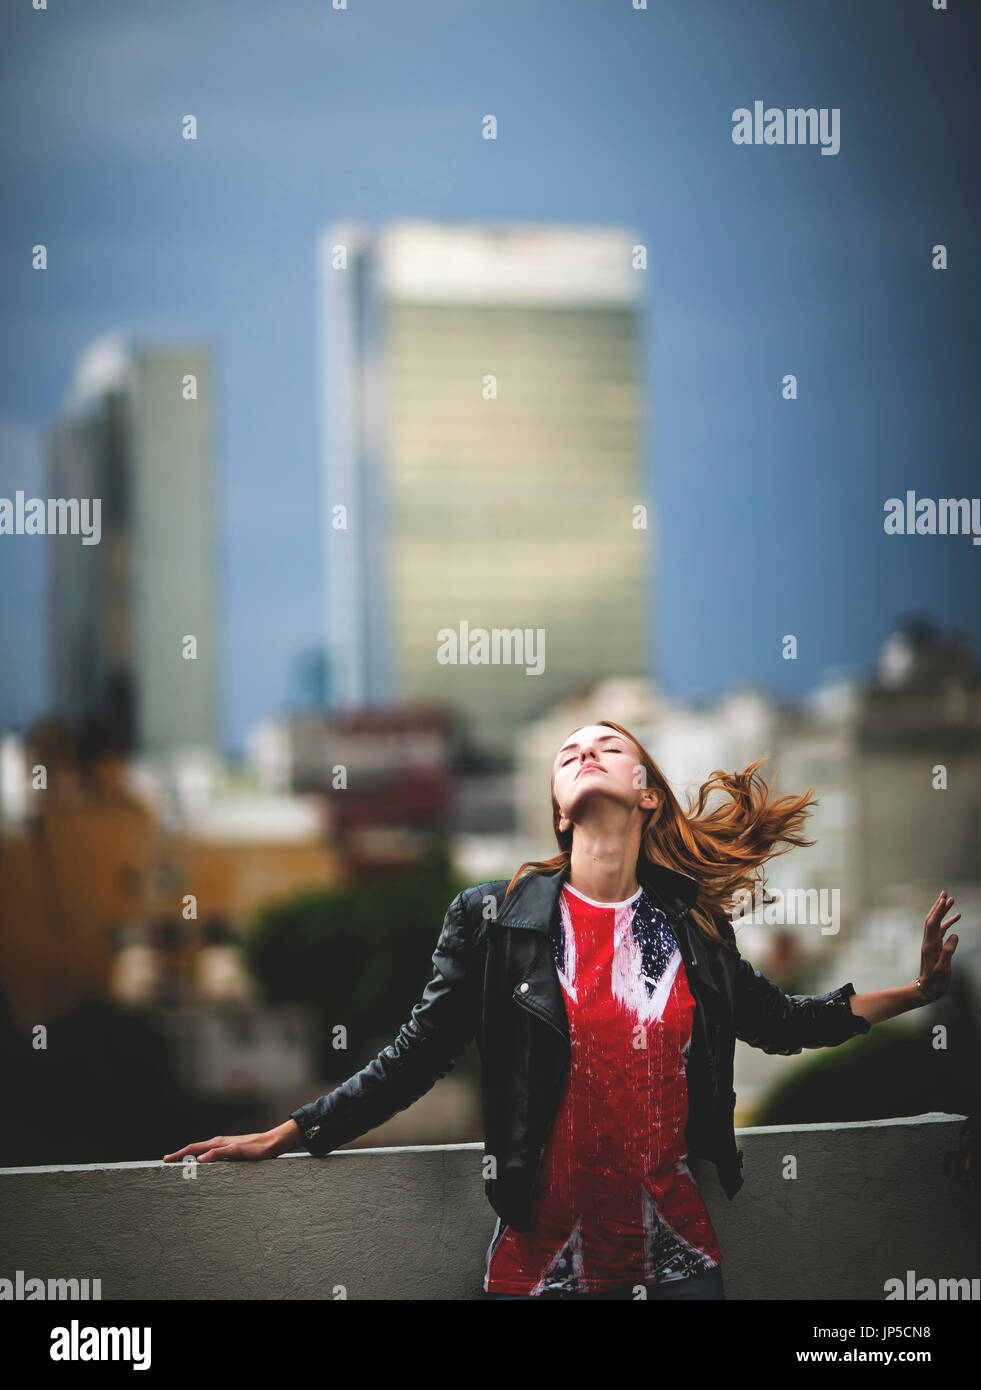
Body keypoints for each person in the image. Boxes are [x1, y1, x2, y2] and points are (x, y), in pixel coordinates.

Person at [164, 720, 961, 1301]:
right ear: (555, 809)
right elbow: (416, 1056)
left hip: (679, 1264)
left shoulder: (693, 931)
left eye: (609, 745)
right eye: (568, 750)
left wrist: (917, 993)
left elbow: (784, 1022)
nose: (585, 750)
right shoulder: (492, 918)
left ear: (647, 796)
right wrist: (290, 1133)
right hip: (540, 1271)